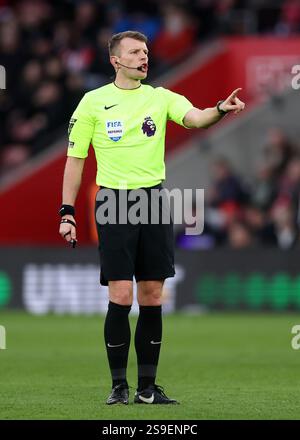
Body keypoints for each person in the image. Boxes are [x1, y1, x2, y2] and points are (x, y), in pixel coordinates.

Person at [58, 30, 245, 405]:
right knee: (122, 294)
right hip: (114, 201)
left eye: (145, 52)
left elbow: (194, 118)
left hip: (155, 200)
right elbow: (75, 161)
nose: (144, 57)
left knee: (153, 294)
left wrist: (219, 111)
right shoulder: (93, 103)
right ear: (116, 60)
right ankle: (117, 386)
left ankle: (146, 388)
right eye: (135, 52)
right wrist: (67, 212)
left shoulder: (160, 98)